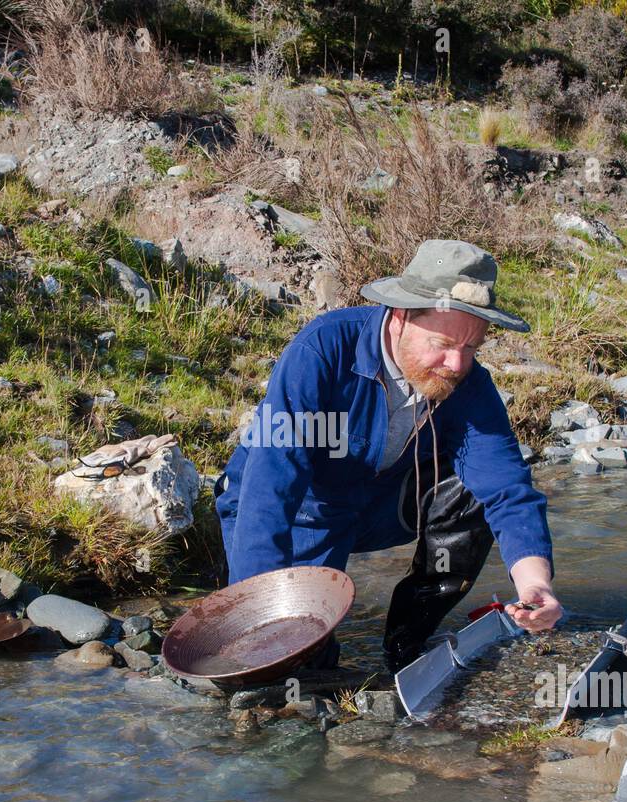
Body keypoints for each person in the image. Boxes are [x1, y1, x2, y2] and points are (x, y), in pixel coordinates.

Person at [214, 239, 562, 673]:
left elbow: (507, 488)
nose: (456, 364)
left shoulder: (468, 383)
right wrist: (256, 608)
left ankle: (406, 647)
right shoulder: (322, 351)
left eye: (471, 348)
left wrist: (536, 585)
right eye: (443, 343)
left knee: (471, 496)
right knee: (297, 663)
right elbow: (271, 485)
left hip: (377, 506)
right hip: (301, 512)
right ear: (400, 317)